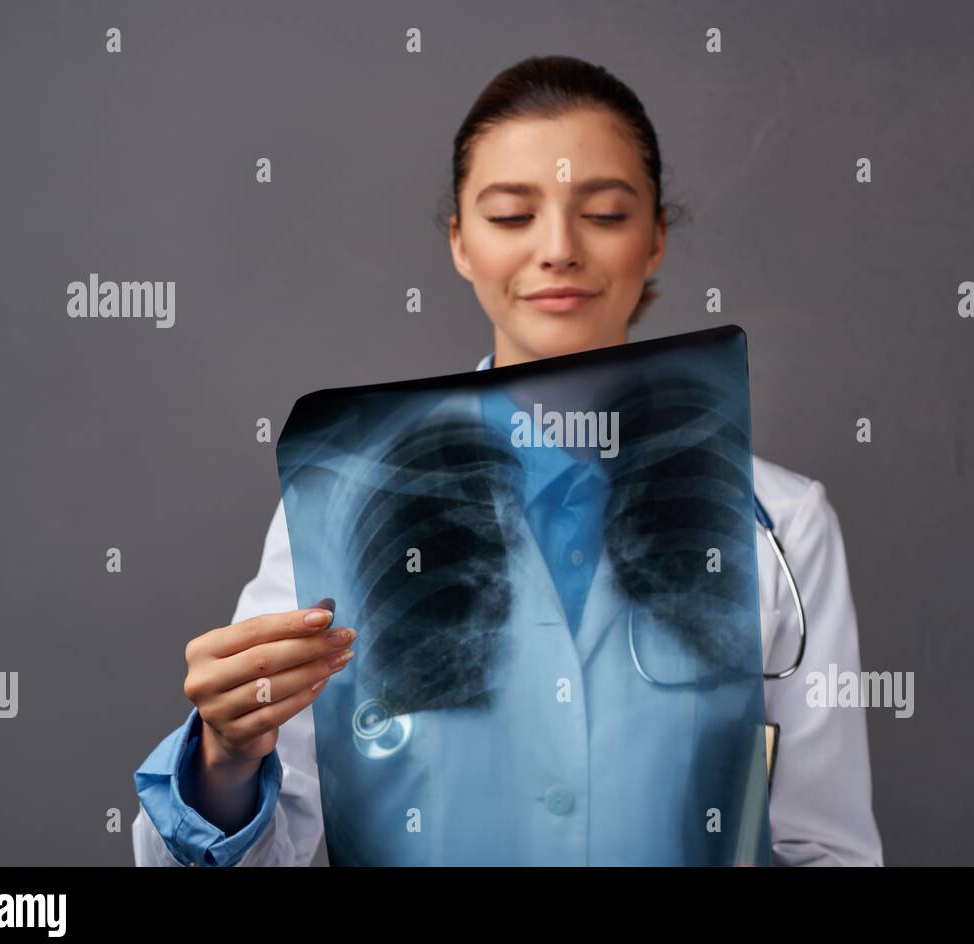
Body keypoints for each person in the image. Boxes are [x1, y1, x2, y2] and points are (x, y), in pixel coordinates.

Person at [132, 54, 884, 867]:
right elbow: (255, 857)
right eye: (511, 216)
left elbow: (828, 849)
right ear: (459, 241)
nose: (558, 249)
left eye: (603, 212)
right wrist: (226, 754)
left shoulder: (780, 522)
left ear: (657, 236)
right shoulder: (345, 502)